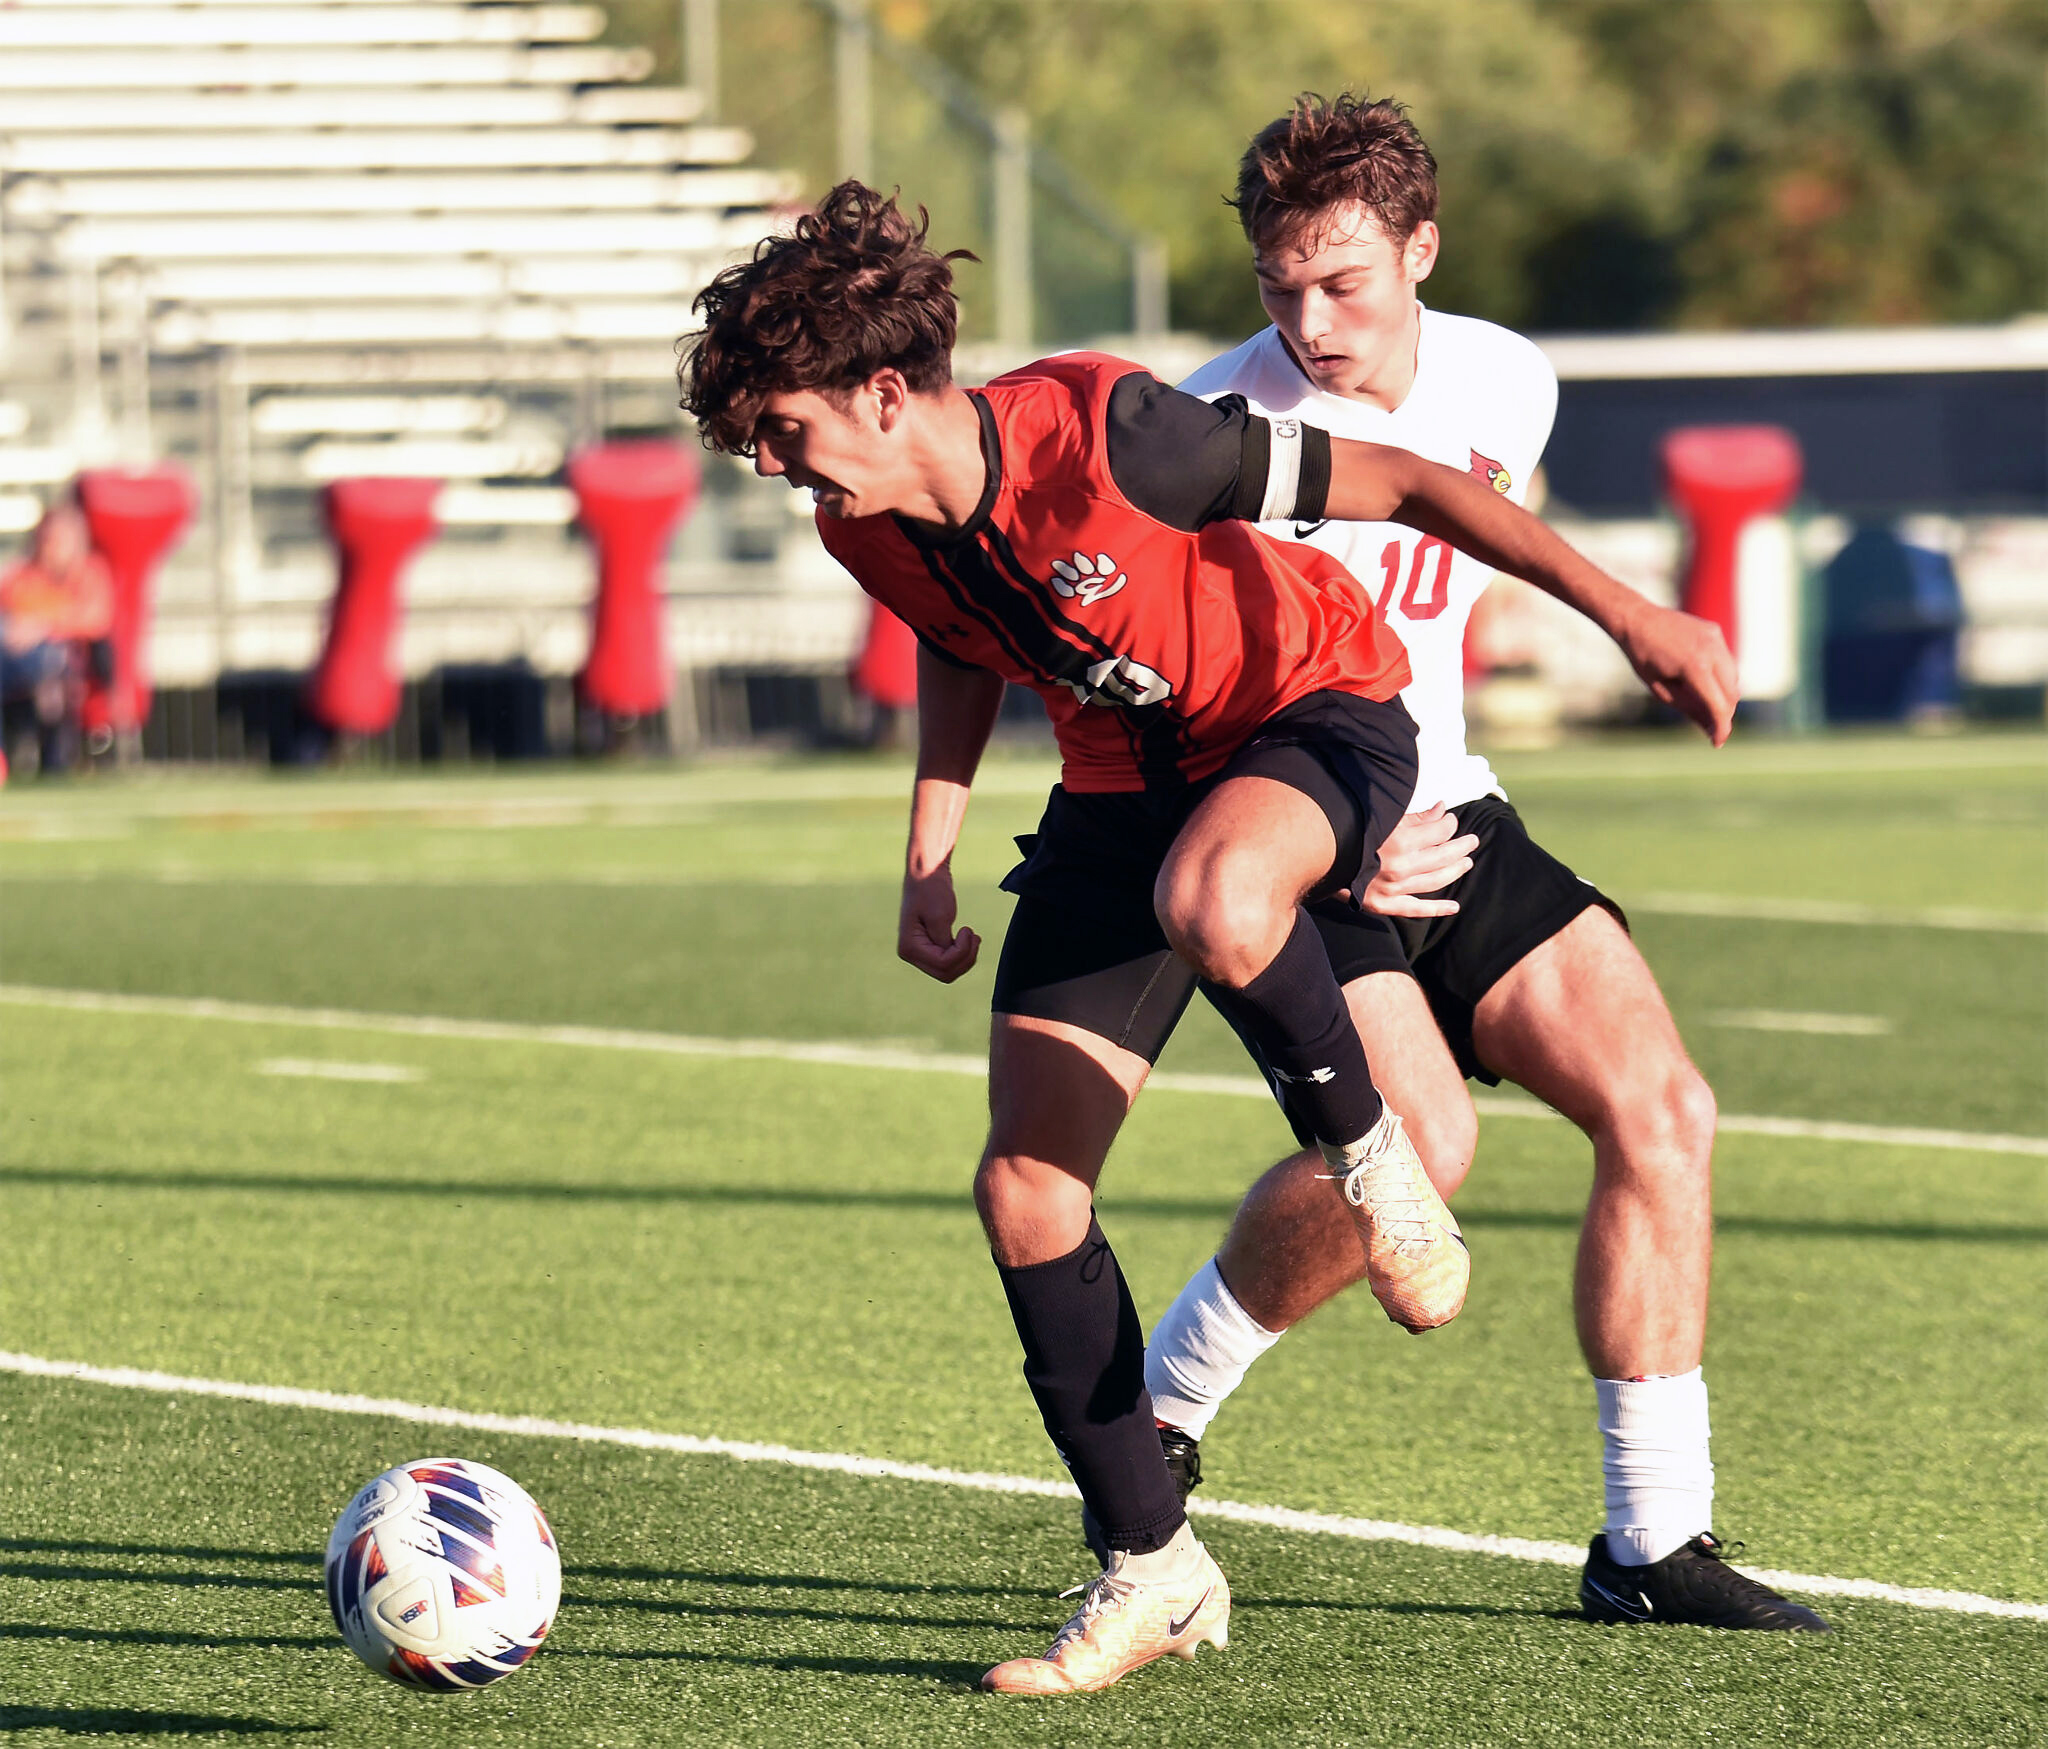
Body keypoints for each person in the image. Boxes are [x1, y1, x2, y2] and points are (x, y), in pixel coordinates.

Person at [680, 180, 1730, 1693]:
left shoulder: (1112, 430)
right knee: (1025, 1188)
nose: (774, 465)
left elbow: (1406, 487)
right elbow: (957, 639)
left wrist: (1637, 618)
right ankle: (1152, 1567)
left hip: (1314, 711)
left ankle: (1385, 1176)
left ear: (886, 391)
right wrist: (929, 842)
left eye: (783, 429)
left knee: (1220, 899)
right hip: (1123, 793)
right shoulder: (862, 520)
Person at [1130, 93, 1829, 1633]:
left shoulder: (1511, 379)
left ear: (1422, 251)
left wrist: (1628, 624)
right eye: (1279, 288)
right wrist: (1329, 852)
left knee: (1665, 1108)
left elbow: (1476, 551)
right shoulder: (1204, 430)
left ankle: (1652, 1542)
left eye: (1343, 283)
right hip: (1300, 844)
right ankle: (1159, 1408)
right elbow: (1162, 698)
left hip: (1460, 812)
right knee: (1417, 1156)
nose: (1309, 324)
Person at [0, 503, 115, 775]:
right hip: (14, 658)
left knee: (51, 671)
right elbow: (11, 610)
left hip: (68, 660)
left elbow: (96, 619)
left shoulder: (90, 573)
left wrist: (42, 626)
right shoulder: (24, 575)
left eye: (57, 540)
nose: (49, 547)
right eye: (45, 539)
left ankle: (55, 759)